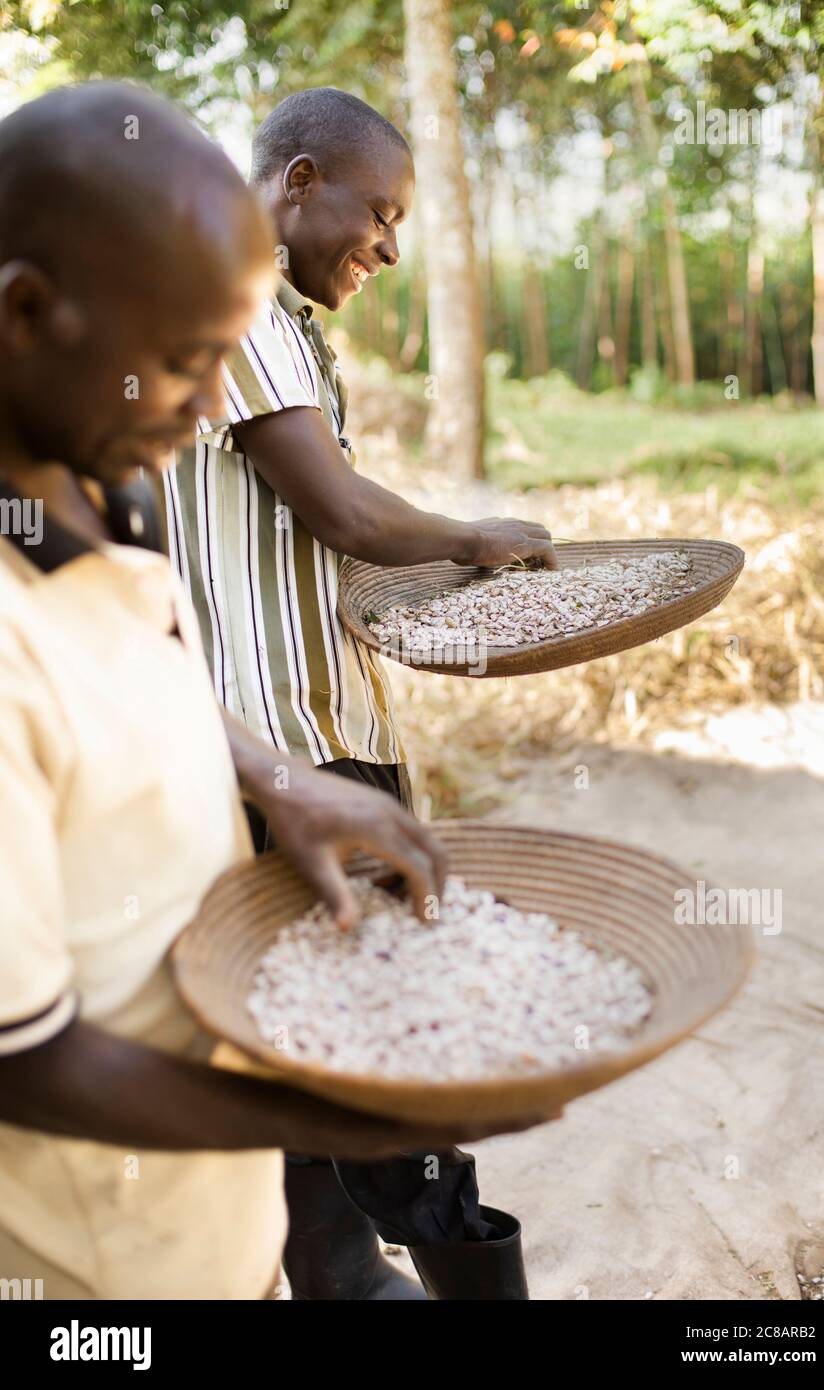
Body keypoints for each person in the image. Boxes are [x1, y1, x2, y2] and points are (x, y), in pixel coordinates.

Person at [0, 82, 552, 1301]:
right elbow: (26, 1060)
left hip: (217, 1235)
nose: (206, 411)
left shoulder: (104, 517)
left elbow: (152, 666)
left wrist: (273, 779)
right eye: (186, 364)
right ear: (29, 316)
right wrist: (324, 1110)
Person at [167, 87, 553, 1299]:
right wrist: (468, 536)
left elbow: (303, 530)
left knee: (285, 1043)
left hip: (245, 740)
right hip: (291, 749)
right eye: (377, 212)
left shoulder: (237, 306)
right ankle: (446, 1278)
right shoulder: (234, 300)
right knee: (388, 1052)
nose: (386, 246)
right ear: (294, 182)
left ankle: (349, 1283)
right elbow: (340, 509)